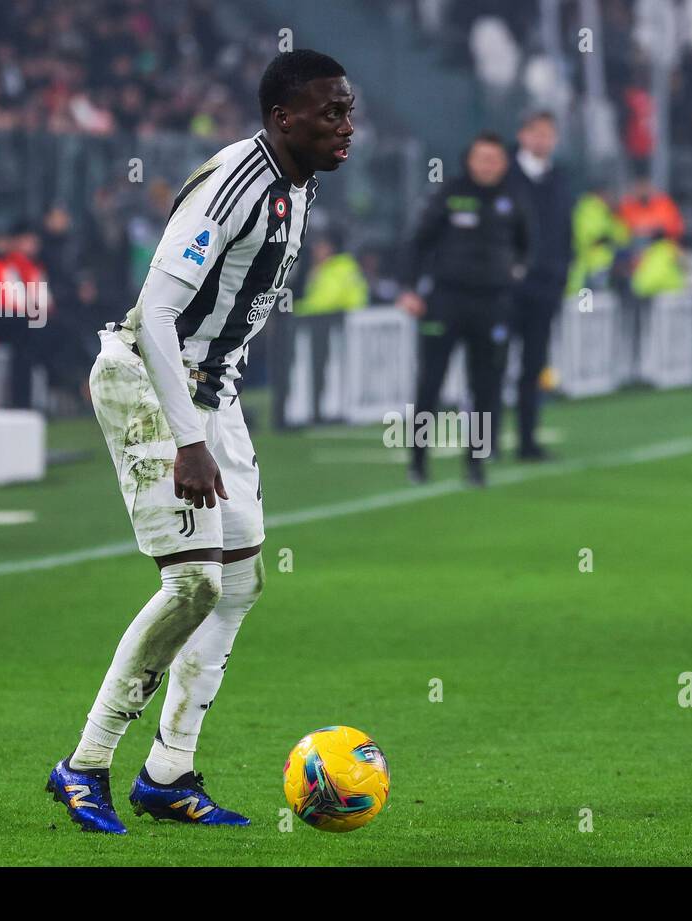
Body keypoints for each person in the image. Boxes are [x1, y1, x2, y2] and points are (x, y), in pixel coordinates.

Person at [47, 49, 354, 834]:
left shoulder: (297, 183)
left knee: (242, 580)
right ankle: (84, 765)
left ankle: (168, 771)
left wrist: (209, 416)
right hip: (150, 384)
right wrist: (188, 441)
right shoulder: (233, 186)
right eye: (331, 113)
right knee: (194, 585)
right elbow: (153, 315)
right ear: (284, 118)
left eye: (348, 110)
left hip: (212, 393)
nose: (346, 126)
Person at [397, 131, 531, 486]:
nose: (488, 165)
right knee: (431, 383)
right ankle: (418, 461)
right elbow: (417, 242)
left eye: (495, 159)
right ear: (469, 160)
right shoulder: (448, 193)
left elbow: (525, 245)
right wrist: (409, 288)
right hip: (445, 300)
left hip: (492, 303)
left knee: (486, 387)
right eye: (481, 158)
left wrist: (515, 272)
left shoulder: (514, 198)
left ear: (504, 163)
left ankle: (476, 463)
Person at [502, 110, 572, 461]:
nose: (543, 140)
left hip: (544, 288)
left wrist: (560, 276)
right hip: (505, 289)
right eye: (537, 133)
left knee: (533, 367)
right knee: (492, 365)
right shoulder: (504, 175)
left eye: (549, 134)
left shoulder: (559, 178)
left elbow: (566, 233)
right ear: (523, 135)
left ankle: (527, 441)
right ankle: (483, 443)